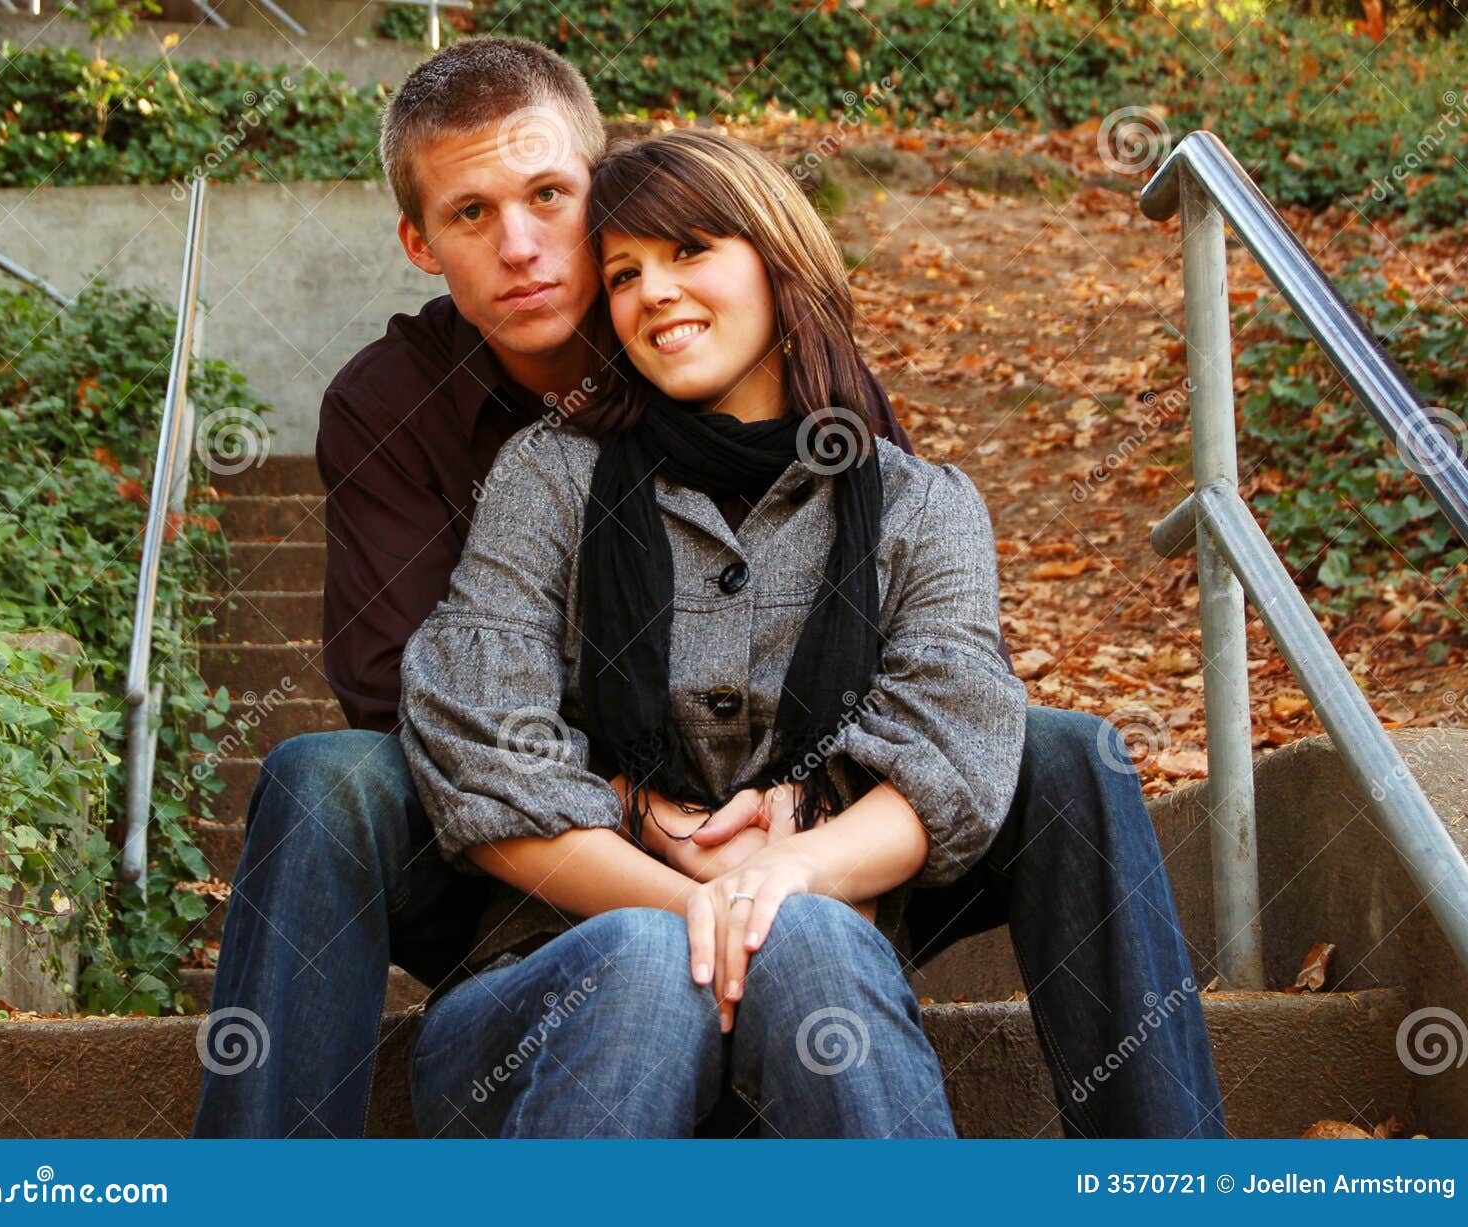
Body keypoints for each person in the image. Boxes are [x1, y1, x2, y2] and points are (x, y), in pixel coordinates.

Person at [191, 36, 1225, 1140]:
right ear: (421, 239)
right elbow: (435, 717)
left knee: (1059, 746)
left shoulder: (833, 422)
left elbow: (906, 655)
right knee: (327, 777)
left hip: (804, 838)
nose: (527, 248)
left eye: (552, 200)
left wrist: (799, 827)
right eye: (473, 215)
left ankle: (1164, 1160)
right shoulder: (460, 433)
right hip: (527, 876)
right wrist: (655, 830)